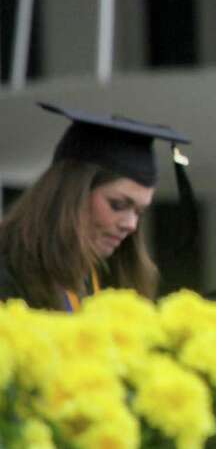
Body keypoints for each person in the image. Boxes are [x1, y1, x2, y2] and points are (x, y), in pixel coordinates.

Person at [0, 103, 190, 311]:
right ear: (71, 194)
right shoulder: (8, 273)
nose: (131, 225)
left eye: (139, 212)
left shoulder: (109, 280)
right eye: (117, 205)